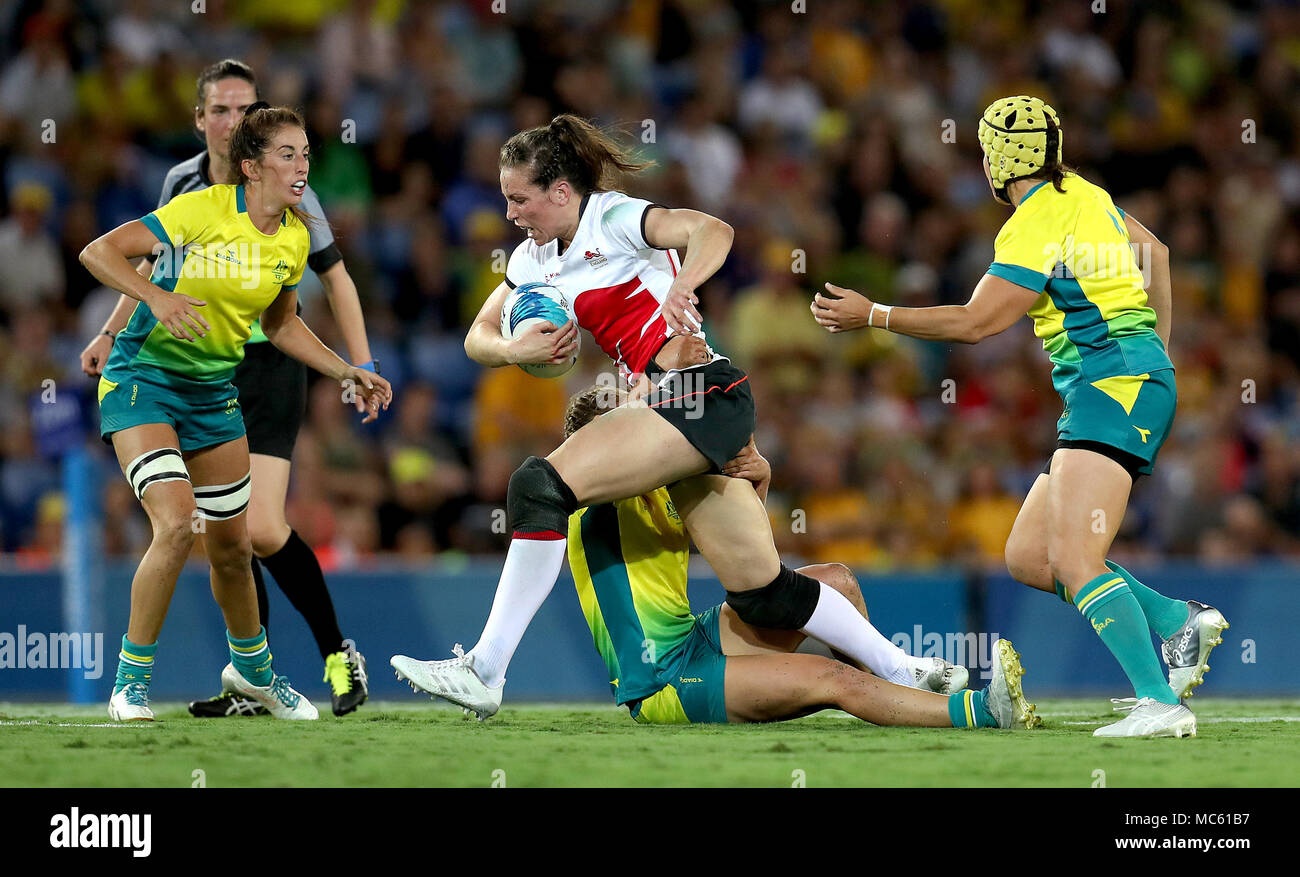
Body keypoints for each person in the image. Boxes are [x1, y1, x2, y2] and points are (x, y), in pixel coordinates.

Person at [391, 114, 978, 720]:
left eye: (520, 199)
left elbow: (713, 230)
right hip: (680, 407)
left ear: (561, 192)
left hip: (701, 391)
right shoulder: (533, 260)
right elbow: (476, 338)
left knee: (538, 487)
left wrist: (685, 284)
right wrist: (516, 350)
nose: (511, 213)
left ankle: (486, 668)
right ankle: (910, 669)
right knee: (764, 594)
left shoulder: (614, 218)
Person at [811, 95, 1227, 738]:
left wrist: (875, 315)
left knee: (1076, 557)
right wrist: (1159, 350)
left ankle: (1160, 703)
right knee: (1030, 555)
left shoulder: (1031, 223)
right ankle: (1175, 620)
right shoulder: (1088, 195)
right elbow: (1160, 256)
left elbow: (976, 323)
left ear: (995, 161)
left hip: (1113, 387)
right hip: (1127, 382)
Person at [79, 60, 378, 718]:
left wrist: (349, 367)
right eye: (288, 155)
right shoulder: (194, 201)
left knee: (239, 542)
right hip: (148, 379)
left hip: (224, 386)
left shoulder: (295, 235)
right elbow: (102, 252)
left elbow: (280, 322)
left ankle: (260, 674)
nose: (303, 167)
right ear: (250, 162)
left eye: (307, 154)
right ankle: (130, 685)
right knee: (180, 522)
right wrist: (148, 302)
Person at [549, 384, 1034, 730]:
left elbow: (749, 565)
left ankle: (896, 702)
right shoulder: (589, 503)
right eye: (617, 433)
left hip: (694, 636)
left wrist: (757, 481)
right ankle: (979, 713)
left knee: (837, 580)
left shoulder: (656, 487)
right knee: (831, 677)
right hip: (661, 680)